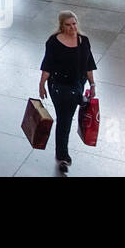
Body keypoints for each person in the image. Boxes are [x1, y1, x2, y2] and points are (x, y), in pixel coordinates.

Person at [38, 10, 97, 174]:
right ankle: (62, 155)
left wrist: (92, 84)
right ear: (61, 26)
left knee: (65, 119)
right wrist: (42, 84)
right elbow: (47, 65)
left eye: (74, 24)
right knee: (64, 119)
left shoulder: (83, 41)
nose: (72, 28)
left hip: (77, 84)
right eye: (68, 25)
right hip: (59, 85)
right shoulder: (53, 42)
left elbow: (89, 64)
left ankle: (61, 153)